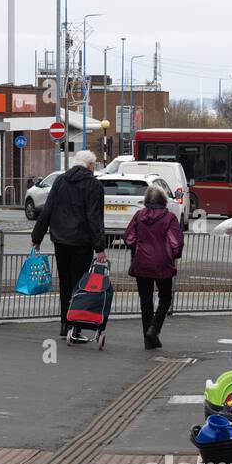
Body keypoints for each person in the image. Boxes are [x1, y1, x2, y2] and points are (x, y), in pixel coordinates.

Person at [31, 149, 108, 344]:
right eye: (94, 165)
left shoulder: (60, 181)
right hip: (82, 241)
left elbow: (48, 209)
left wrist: (37, 237)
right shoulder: (94, 185)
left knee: (65, 283)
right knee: (80, 284)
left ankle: (65, 324)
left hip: (60, 240)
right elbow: (94, 217)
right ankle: (75, 328)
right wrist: (100, 247)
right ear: (90, 165)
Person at [124, 184, 184, 349]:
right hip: (163, 264)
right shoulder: (169, 218)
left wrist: (138, 247)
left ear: (146, 200)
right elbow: (176, 243)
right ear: (163, 199)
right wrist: (173, 255)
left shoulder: (139, 216)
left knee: (146, 301)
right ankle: (154, 328)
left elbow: (128, 238)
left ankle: (148, 339)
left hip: (141, 262)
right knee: (165, 298)